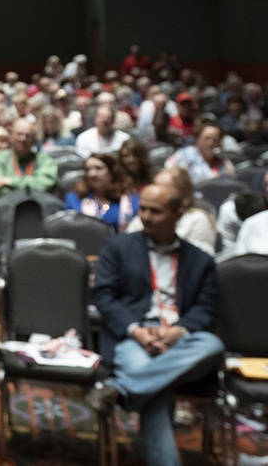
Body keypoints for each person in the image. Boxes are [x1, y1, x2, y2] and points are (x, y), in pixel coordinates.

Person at [87, 182, 225, 466]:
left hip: (180, 341)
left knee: (212, 345)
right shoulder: (119, 247)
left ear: (178, 213)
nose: (146, 217)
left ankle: (122, 389)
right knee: (154, 387)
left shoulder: (200, 260)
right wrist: (136, 331)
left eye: (156, 211)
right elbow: (104, 297)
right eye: (144, 209)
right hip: (134, 336)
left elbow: (205, 308)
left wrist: (177, 331)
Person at [0, 118, 57, 200]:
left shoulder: (44, 160)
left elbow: (45, 184)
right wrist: (31, 189)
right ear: (11, 137)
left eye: (28, 135)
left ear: (34, 140)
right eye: (19, 134)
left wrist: (8, 181)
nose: (23, 139)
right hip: (5, 209)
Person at [65, 153, 139, 232]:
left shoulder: (130, 199)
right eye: (88, 169)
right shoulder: (75, 199)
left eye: (98, 168)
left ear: (112, 172)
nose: (92, 174)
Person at [164, 122, 235, 184]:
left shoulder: (223, 160)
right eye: (207, 138)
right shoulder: (184, 155)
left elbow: (231, 180)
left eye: (215, 140)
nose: (210, 142)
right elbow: (172, 174)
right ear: (197, 138)